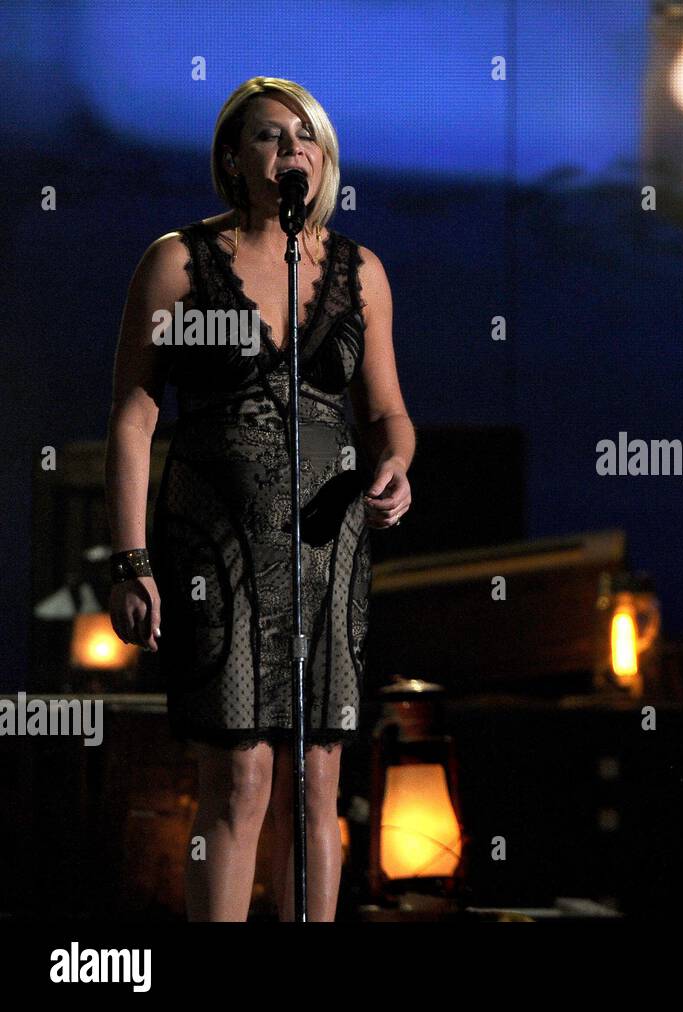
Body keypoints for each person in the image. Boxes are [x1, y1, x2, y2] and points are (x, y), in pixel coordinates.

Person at [105, 76, 415, 921]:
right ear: (233, 159)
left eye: (306, 137)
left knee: (317, 782)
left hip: (330, 551)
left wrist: (397, 465)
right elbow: (133, 419)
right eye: (271, 137)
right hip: (218, 550)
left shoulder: (360, 271)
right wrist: (132, 561)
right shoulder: (177, 263)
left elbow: (386, 411)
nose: (292, 152)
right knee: (240, 776)